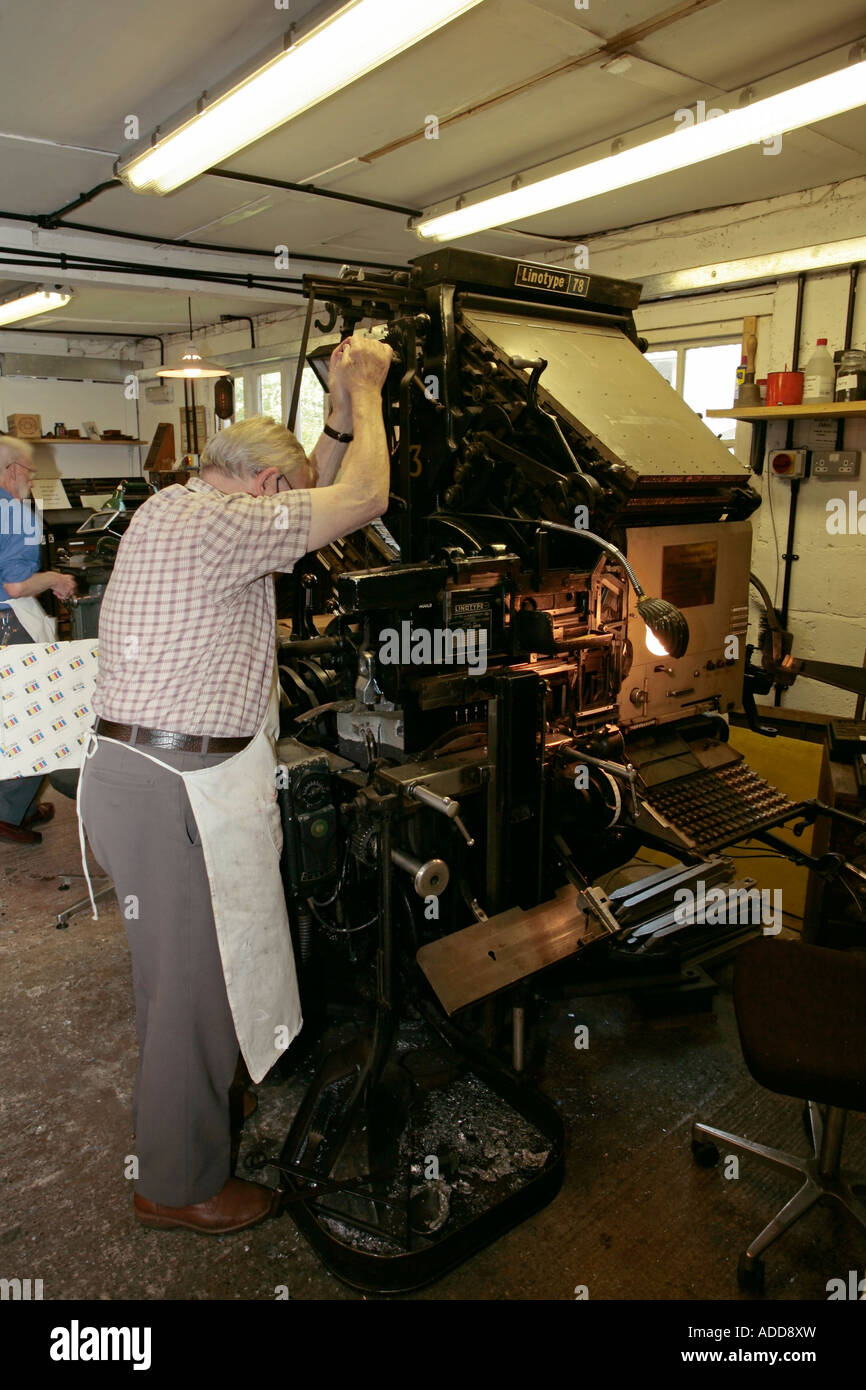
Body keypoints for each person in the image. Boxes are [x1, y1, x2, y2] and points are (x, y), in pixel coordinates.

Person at [79, 334, 392, 1235]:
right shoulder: (221, 525)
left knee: (185, 977)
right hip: (170, 782)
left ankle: (201, 1106)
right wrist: (366, 391)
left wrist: (330, 415)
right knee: (191, 988)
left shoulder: (181, 506)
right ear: (263, 490)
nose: (293, 526)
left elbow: (321, 493)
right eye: (287, 503)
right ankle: (177, 1184)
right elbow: (362, 497)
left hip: (151, 773)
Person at [0, 436, 76, 844]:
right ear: (12, 470)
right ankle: (9, 811)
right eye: (30, 470)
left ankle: (23, 806)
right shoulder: (15, 513)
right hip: (7, 623)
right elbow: (15, 585)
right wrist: (56, 579)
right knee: (38, 715)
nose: (32, 478)